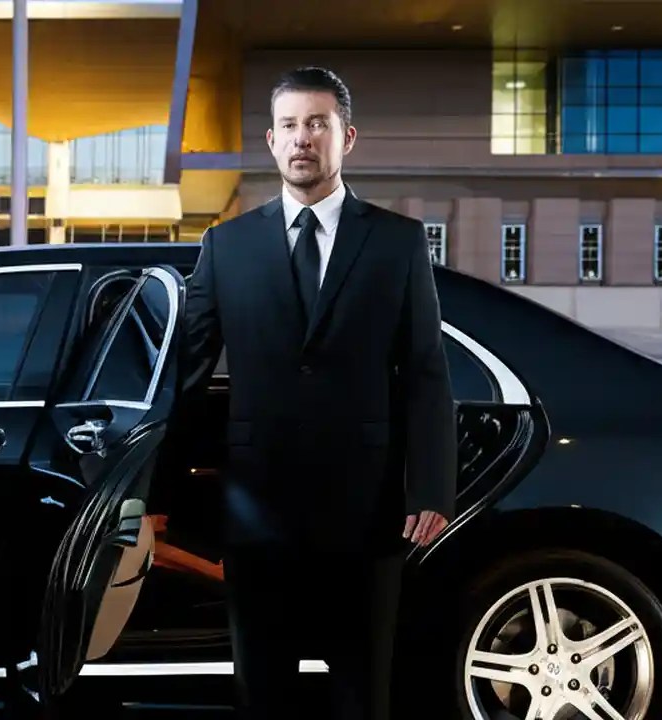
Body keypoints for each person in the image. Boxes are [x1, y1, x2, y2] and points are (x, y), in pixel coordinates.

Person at [180, 66, 456, 720]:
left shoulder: (396, 242)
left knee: (363, 691)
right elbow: (186, 377)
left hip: (368, 509)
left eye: (317, 124)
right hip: (256, 508)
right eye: (289, 126)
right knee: (264, 690)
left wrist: (431, 490)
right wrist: (171, 494)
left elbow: (424, 368)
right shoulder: (225, 247)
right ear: (271, 142)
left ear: (347, 137)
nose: (302, 138)